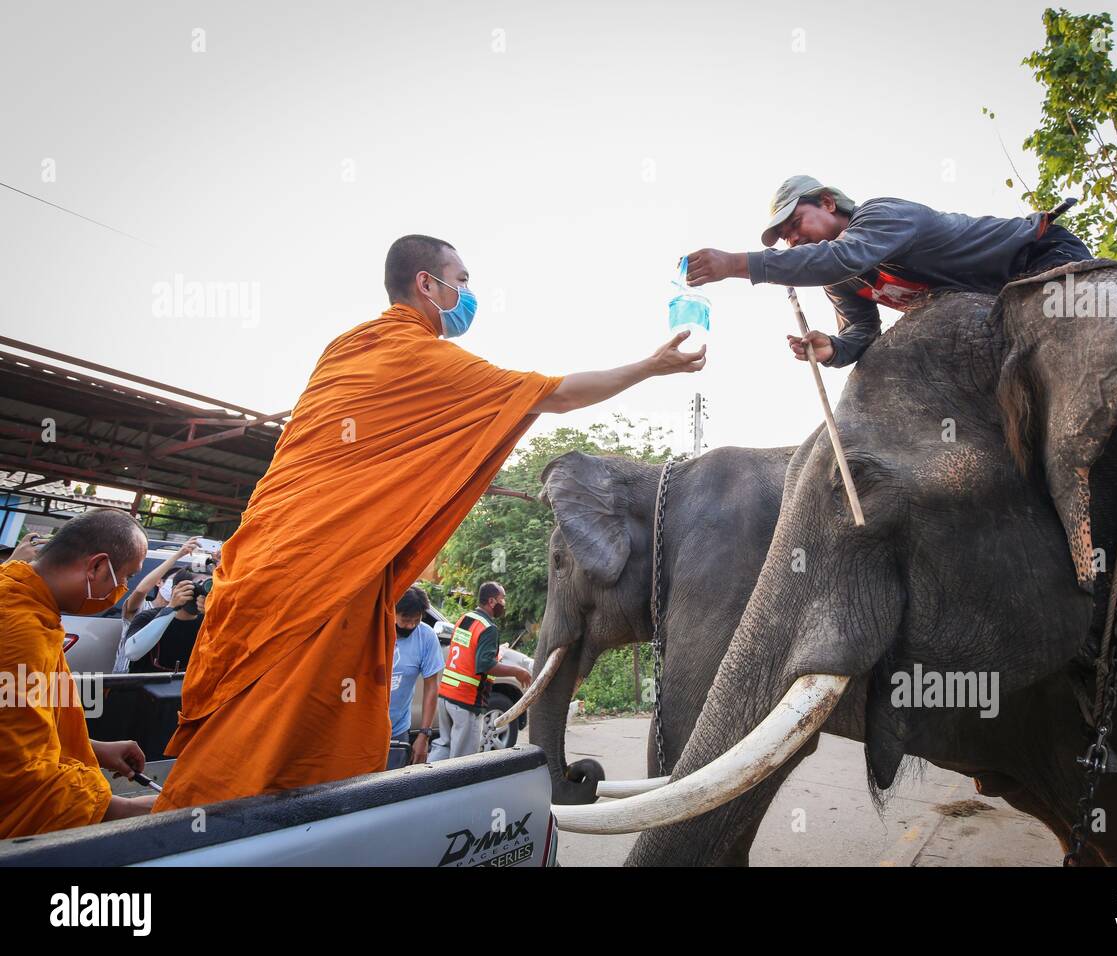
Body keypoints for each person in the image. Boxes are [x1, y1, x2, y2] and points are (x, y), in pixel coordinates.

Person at [152, 234, 704, 811]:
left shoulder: (344, 349)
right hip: (321, 586)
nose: (467, 294)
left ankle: (194, 824)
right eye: (461, 281)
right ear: (427, 284)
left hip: (265, 564)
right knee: (273, 775)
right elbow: (556, 394)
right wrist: (651, 366)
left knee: (245, 755)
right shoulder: (417, 356)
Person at [684, 175, 1117, 509]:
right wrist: (833, 348)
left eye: (794, 226)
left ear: (828, 204)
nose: (789, 241)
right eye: (781, 238)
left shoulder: (881, 218)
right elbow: (863, 333)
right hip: (988, 316)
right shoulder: (841, 279)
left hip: (1039, 263)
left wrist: (740, 264)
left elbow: (843, 253)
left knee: (1090, 338)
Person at [0, 509, 157, 837]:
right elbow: (15, 775)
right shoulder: (18, 630)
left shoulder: (24, 597)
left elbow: (23, 726)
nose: (123, 589)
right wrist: (123, 808)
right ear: (97, 566)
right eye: (125, 577)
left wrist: (94, 748)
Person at [431, 582, 529, 762]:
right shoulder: (489, 628)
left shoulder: (465, 619)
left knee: (443, 748)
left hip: (446, 696)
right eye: (502, 599)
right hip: (466, 701)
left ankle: (424, 782)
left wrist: (495, 654)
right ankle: (456, 790)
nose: (504, 604)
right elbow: (485, 665)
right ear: (492, 601)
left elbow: (468, 653)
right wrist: (517, 671)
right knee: (461, 762)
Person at [113, 537, 201, 672]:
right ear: (159, 582)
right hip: (127, 675)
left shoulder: (191, 615)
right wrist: (179, 554)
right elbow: (141, 590)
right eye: (172, 583)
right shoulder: (145, 609)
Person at [386, 587, 444, 768]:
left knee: (389, 789)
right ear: (392, 611)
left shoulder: (426, 637)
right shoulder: (375, 632)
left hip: (397, 729)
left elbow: (431, 687)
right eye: (405, 619)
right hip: (363, 728)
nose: (411, 625)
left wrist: (424, 735)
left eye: (416, 620)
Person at [122, 570, 210, 673]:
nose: (203, 594)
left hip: (185, 686)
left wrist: (213, 615)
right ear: (175, 590)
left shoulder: (209, 623)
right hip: (144, 685)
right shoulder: (148, 617)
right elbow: (132, 653)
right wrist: (172, 607)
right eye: (199, 586)